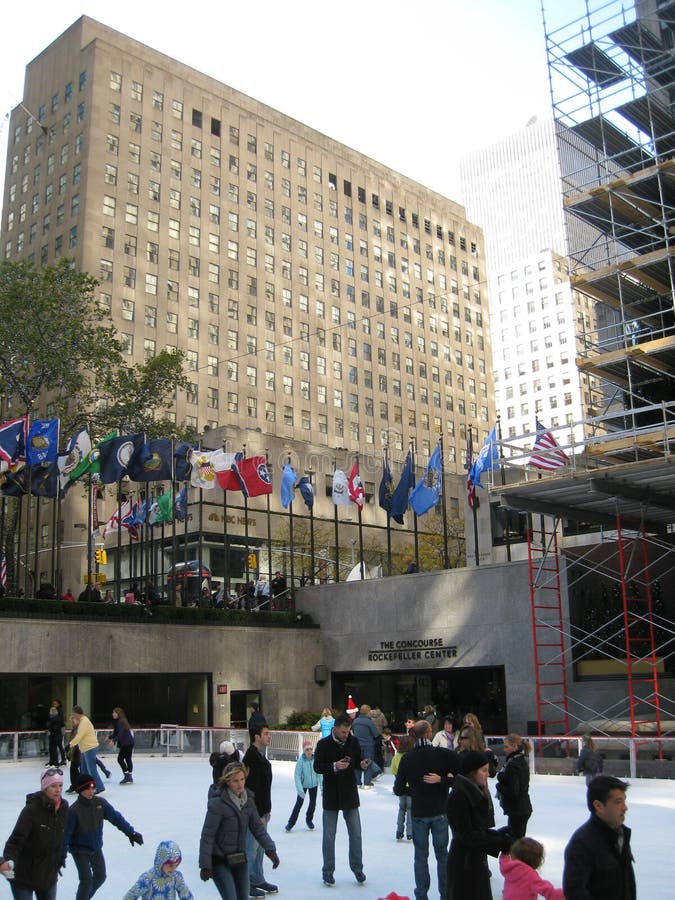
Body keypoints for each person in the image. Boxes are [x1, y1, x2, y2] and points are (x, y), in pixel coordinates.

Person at [393, 719, 459, 900]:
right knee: (442, 855)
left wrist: (414, 790)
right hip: (439, 809)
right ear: (429, 733)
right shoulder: (444, 754)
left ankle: (421, 895)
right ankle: (446, 894)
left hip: (419, 812)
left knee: (420, 856)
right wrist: (443, 780)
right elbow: (460, 775)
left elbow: (398, 789)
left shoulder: (407, 759)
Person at [199, 761, 280, 900]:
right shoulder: (218, 804)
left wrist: (270, 849)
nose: (240, 784)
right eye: (235, 781)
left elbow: (258, 828)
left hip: (239, 859)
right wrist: (205, 865)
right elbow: (207, 835)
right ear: (227, 782)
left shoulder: (248, 801)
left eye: (242, 779)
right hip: (220, 860)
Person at [62, 772, 144, 900]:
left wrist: (131, 833)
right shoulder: (74, 811)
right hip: (79, 850)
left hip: (95, 847)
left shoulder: (100, 803)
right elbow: (65, 835)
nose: (91, 791)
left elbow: (116, 818)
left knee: (100, 876)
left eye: (93, 788)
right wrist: (61, 854)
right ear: (80, 790)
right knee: (86, 880)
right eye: (88, 788)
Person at [446, 750, 512, 900]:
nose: (488, 774)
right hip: (464, 864)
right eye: (483, 770)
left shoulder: (473, 791)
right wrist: (500, 841)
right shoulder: (460, 796)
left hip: (472, 859)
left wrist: (499, 834)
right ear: (472, 772)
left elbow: (475, 830)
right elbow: (467, 835)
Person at [313, 712, 369, 887]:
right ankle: (328, 871)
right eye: (344, 732)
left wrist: (361, 764)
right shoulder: (323, 744)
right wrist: (334, 766)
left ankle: (357, 868)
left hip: (349, 793)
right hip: (331, 793)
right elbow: (317, 767)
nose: (346, 734)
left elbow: (357, 760)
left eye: (348, 731)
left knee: (356, 833)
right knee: (329, 835)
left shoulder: (353, 741)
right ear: (335, 729)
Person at [0, 767, 69, 899]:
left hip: (48, 875)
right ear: (45, 788)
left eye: (60, 785)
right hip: (24, 875)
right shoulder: (31, 810)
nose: (58, 790)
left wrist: (60, 857)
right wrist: (9, 860)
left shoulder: (63, 807)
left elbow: (62, 836)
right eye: (53, 786)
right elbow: (15, 840)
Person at [563, 775, 635, 900]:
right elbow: (575, 892)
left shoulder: (621, 834)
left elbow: (628, 884)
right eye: (618, 802)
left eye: (624, 801)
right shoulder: (582, 844)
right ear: (598, 806)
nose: (625, 808)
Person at [242, 724, 277, 897]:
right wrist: (257, 814)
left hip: (262, 811)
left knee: (260, 847)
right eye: (266, 734)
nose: (269, 736)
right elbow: (251, 790)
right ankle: (246, 883)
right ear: (257, 737)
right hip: (254, 812)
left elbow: (264, 787)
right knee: (251, 848)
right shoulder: (251, 758)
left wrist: (267, 810)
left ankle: (257, 878)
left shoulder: (260, 756)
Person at [123, 840, 194, 899]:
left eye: (176, 865)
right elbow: (131, 895)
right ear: (161, 862)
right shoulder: (148, 878)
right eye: (170, 865)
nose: (173, 869)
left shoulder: (176, 877)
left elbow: (185, 893)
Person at [500, 837, 564, 900]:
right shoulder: (529, 874)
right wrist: (564, 893)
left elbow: (504, 860)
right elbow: (546, 890)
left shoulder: (509, 868)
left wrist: (504, 854)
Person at [496, 734, 532, 840]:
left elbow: (513, 791)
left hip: (518, 809)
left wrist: (499, 786)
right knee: (516, 838)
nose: (504, 750)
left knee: (515, 841)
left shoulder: (513, 764)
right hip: (522, 808)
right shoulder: (519, 761)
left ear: (515, 747)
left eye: (506, 747)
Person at [69, 706, 105, 795]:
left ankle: (100, 787)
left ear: (77, 714)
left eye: (73, 714)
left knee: (91, 770)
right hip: (85, 749)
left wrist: (70, 745)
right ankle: (85, 786)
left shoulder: (84, 722)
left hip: (90, 748)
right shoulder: (82, 721)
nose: (73, 716)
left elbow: (79, 736)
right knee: (84, 770)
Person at [285, 741, 320, 831]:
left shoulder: (315, 759)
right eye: (307, 750)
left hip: (314, 785)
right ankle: (291, 823)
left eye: (311, 749)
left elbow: (319, 773)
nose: (309, 751)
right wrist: (300, 789)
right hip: (303, 785)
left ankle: (309, 820)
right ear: (304, 751)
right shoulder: (301, 761)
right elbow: (297, 775)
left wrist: (322, 786)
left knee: (313, 803)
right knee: (299, 804)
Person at [351, 704, 382, 788]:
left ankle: (358, 783)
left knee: (358, 762)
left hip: (357, 745)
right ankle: (367, 783)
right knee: (368, 762)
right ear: (368, 712)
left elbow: (353, 731)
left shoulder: (355, 721)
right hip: (368, 745)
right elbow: (375, 734)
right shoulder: (369, 722)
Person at [390, 735, 413, 841]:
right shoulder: (412, 757)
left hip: (401, 786)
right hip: (411, 787)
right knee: (410, 810)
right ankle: (410, 832)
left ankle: (399, 831)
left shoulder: (397, 757)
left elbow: (393, 770)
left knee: (401, 809)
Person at [106, 707, 135, 784]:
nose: (112, 714)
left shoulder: (120, 722)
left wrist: (113, 741)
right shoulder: (121, 721)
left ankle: (127, 776)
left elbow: (120, 733)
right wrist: (109, 737)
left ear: (117, 714)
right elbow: (117, 733)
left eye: (114, 712)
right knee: (128, 759)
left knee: (120, 759)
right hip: (129, 742)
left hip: (127, 743)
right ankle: (129, 777)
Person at [47, 699, 66, 766]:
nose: (53, 705)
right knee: (57, 746)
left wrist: (54, 729)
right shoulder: (54, 712)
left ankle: (62, 759)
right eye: (53, 703)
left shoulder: (59, 711)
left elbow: (60, 722)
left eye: (55, 703)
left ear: (58, 704)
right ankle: (55, 760)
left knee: (59, 745)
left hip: (58, 731)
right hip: (57, 731)